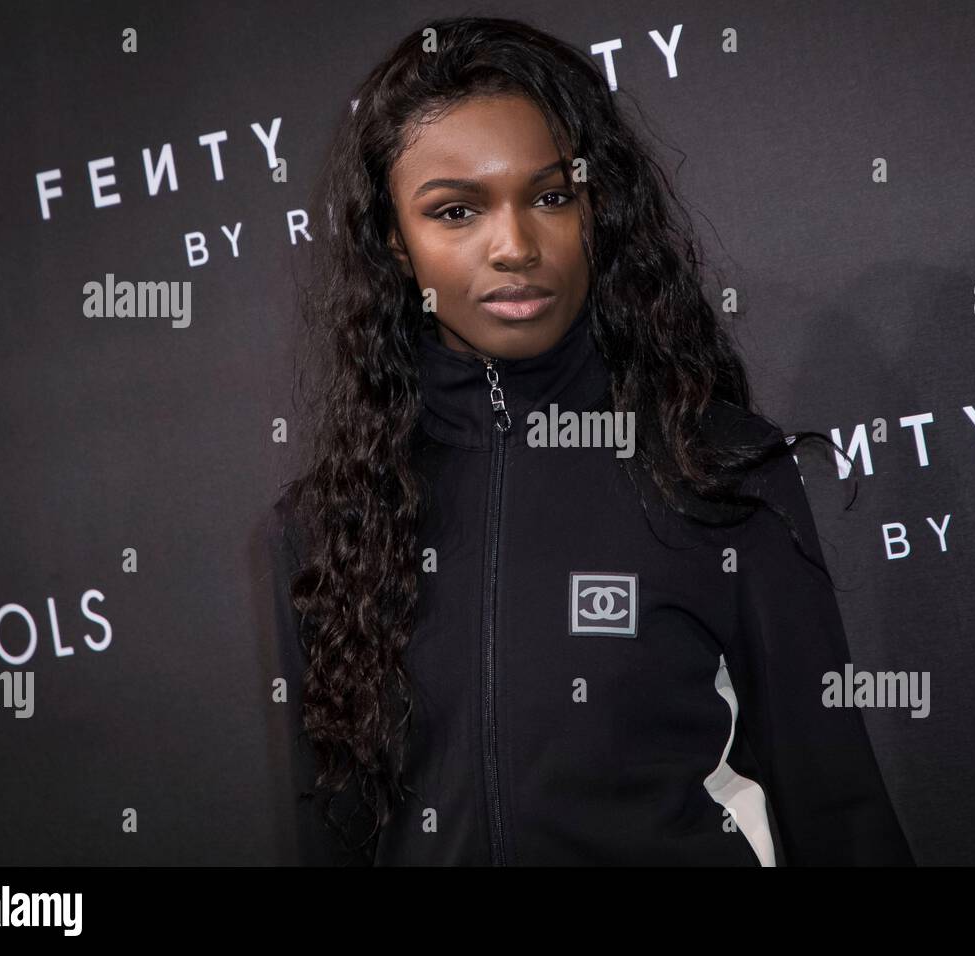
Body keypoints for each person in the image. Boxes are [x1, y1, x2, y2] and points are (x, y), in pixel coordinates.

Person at [266, 15, 914, 866]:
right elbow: (332, 829)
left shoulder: (713, 468)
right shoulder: (328, 521)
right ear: (395, 240)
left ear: (596, 206)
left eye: (549, 196)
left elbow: (837, 807)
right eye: (455, 211)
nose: (515, 247)